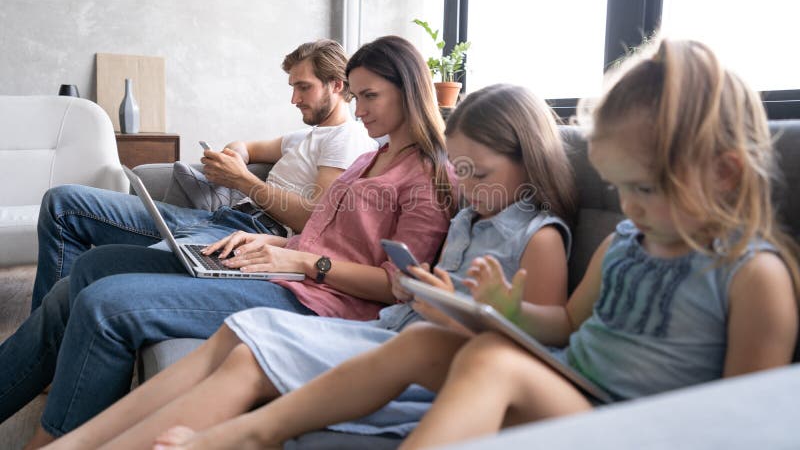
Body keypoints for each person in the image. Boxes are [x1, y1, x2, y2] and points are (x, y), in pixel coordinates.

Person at [149, 38, 797, 450]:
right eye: (619, 189)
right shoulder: (627, 243)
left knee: (491, 362)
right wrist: (505, 310)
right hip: (571, 389)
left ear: (725, 173)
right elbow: (567, 323)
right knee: (435, 340)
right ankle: (256, 430)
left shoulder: (753, 276)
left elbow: (746, 416)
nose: (627, 208)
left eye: (645, 189)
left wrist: (503, 336)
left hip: (634, 424)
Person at [41, 83, 579, 450]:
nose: (464, 183)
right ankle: (78, 442)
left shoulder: (538, 235)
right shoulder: (468, 217)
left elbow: (532, 339)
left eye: (477, 171)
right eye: (460, 169)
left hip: (408, 342)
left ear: (526, 156)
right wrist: (428, 290)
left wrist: (469, 305)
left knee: (238, 349)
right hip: (401, 326)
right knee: (233, 329)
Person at [2, 35, 455, 448]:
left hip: (319, 300)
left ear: (409, 89)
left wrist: (303, 263)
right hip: (283, 269)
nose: (359, 110)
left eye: (370, 96)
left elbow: (398, 286)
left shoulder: (428, 177)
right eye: (357, 97)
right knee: (90, 269)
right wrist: (265, 239)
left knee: (105, 304)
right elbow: (328, 231)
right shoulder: (374, 155)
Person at [31, 38, 377, 309]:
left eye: (303, 87)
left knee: (97, 267)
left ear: (335, 85)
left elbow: (315, 221)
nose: (293, 98)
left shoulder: (345, 141)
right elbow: (248, 146)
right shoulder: (307, 135)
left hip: (248, 234)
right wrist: (233, 157)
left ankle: (54, 344)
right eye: (292, 87)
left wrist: (241, 180)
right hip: (221, 218)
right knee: (62, 203)